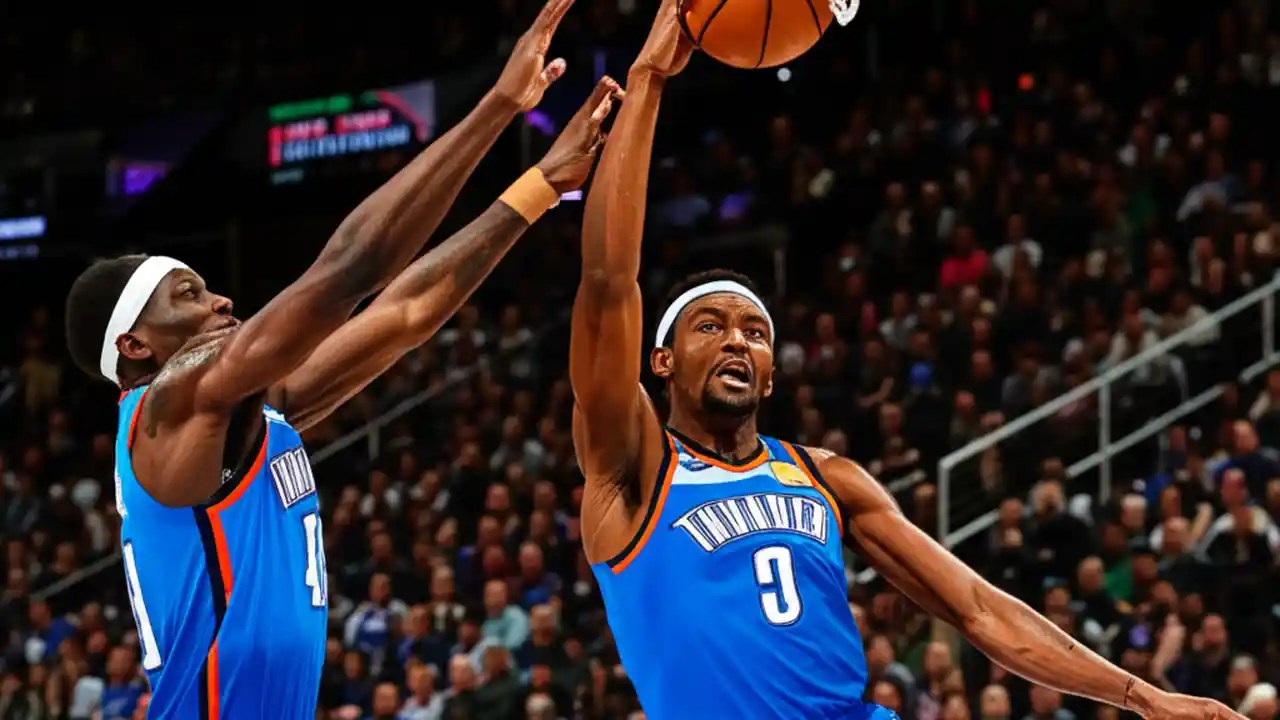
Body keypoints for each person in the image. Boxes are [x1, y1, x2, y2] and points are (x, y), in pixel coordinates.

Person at [567, 2, 1246, 719]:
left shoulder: (827, 477)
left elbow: (980, 610)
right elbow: (609, 283)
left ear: (773, 374)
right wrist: (646, 78)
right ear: (663, 360)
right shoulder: (632, 465)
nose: (739, 340)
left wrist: (1145, 698)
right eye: (711, 326)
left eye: (757, 333)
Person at [62, 1, 620, 715]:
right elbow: (355, 266)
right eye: (189, 295)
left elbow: (405, 313)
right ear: (136, 346)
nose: (222, 302)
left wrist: (540, 187)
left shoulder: (244, 412)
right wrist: (499, 105)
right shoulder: (166, 407)